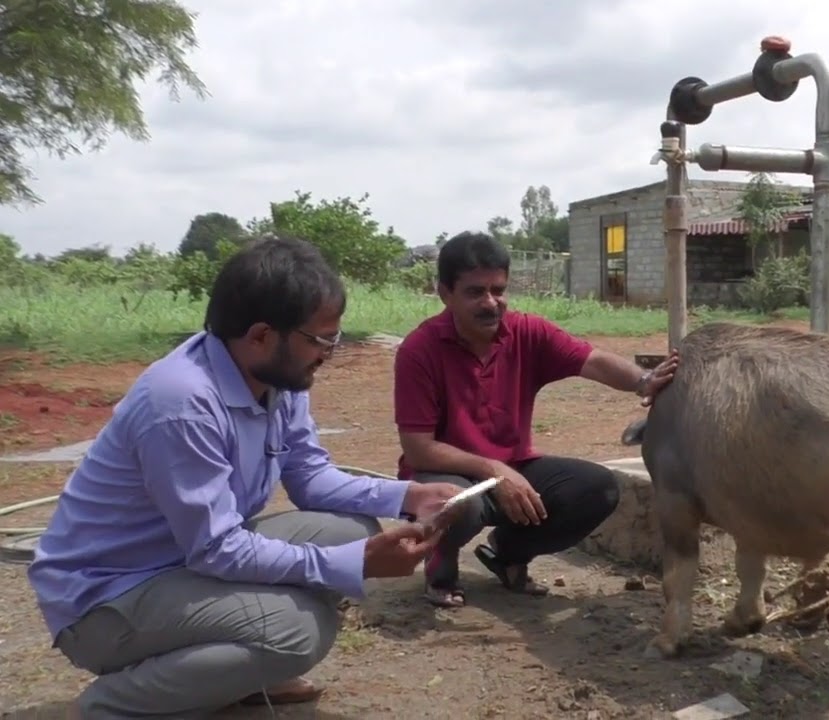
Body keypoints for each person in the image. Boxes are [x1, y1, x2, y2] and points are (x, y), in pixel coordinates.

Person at [28, 236, 466, 718]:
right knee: (298, 631)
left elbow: (310, 477)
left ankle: (231, 675)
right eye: (321, 340)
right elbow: (216, 548)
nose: (328, 354)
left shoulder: (277, 377)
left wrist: (409, 494)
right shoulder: (182, 403)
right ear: (261, 334)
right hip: (108, 598)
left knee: (349, 528)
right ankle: (109, 707)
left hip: (181, 559)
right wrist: (351, 564)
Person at [394, 231, 678, 608]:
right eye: (475, 292)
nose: (491, 303)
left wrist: (644, 381)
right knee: (455, 502)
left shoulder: (527, 332)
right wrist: (494, 470)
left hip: (512, 467)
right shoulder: (419, 350)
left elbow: (591, 360)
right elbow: (418, 449)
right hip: (445, 475)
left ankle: (507, 555)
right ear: (445, 293)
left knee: (598, 489)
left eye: (499, 290)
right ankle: (441, 567)